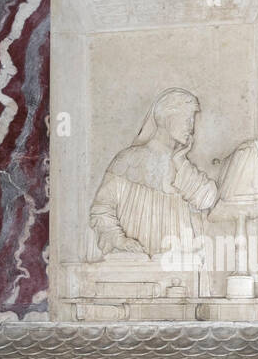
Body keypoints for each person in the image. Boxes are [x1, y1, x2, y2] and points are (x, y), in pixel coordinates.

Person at [89, 88, 218, 259]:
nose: (191, 128)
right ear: (167, 119)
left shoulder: (182, 166)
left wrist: (180, 162)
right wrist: (119, 241)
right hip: (136, 267)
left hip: (180, 269)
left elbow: (206, 199)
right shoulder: (129, 159)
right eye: (187, 119)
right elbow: (101, 210)